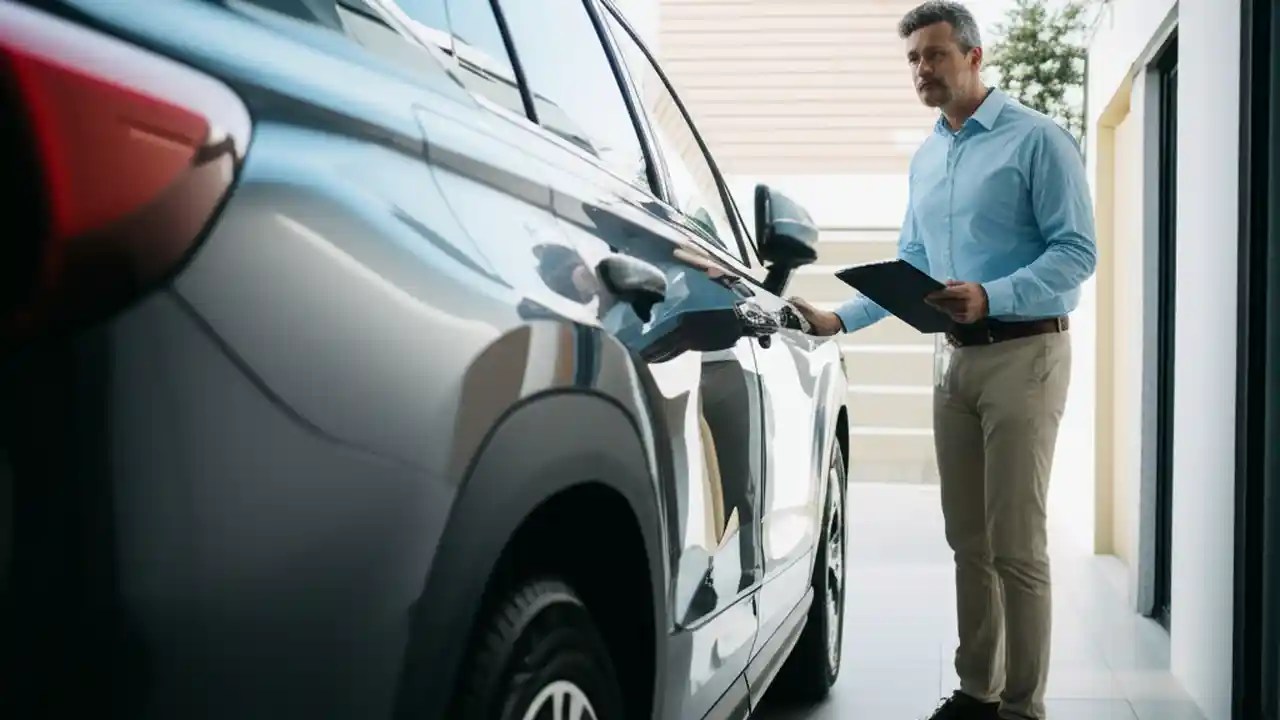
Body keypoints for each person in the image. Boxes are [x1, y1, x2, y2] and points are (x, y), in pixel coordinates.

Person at [788, 2, 1097, 719]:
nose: (923, 70)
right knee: (968, 540)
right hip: (951, 363)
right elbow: (916, 264)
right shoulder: (929, 155)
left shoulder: (1038, 141)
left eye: (935, 55)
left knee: (1017, 542)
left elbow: (1077, 254)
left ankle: (1024, 706)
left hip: (1027, 355)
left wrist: (992, 296)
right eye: (914, 60)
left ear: (974, 56)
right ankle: (977, 693)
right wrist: (839, 318)